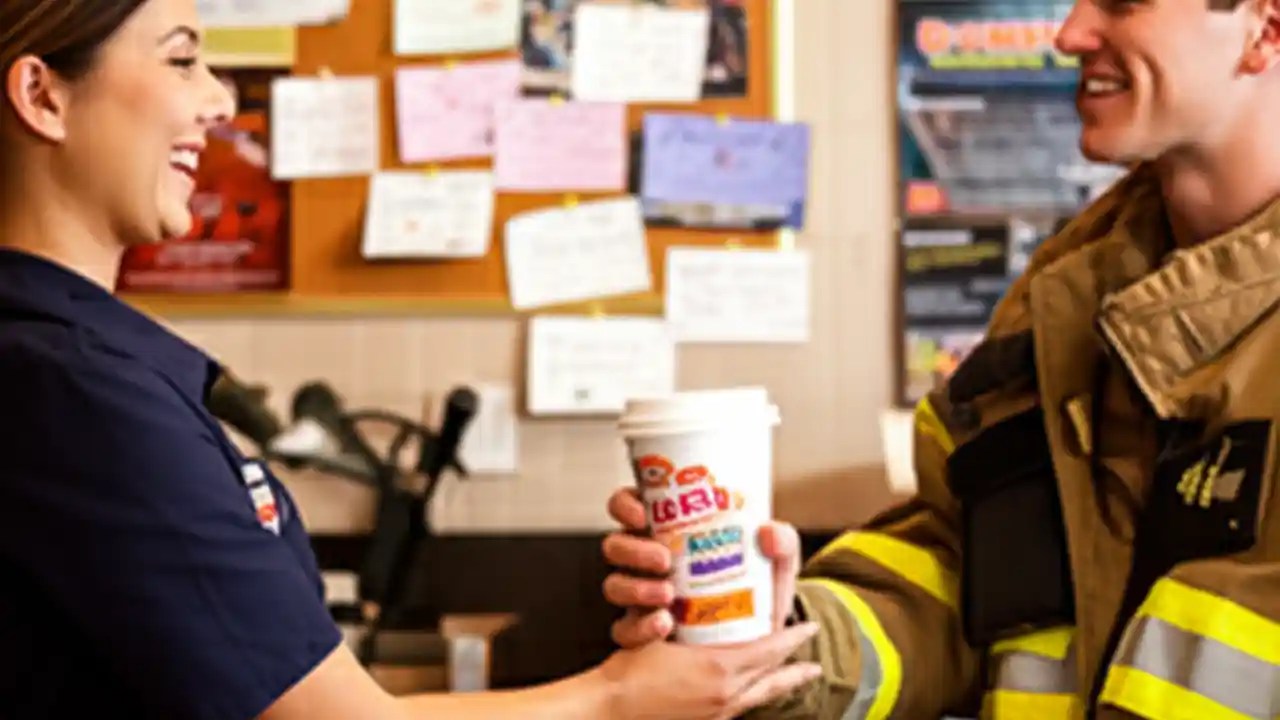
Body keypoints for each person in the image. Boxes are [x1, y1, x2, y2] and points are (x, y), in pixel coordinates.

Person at [0, 1, 824, 718]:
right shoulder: (70, 390)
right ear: (43, 95)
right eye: (181, 58)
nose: (219, 99)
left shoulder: (78, 368)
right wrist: (622, 698)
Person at [604, 0, 1280, 718]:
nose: (1070, 33)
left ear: (1264, 27)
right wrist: (770, 639)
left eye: (1120, 2)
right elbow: (959, 578)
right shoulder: (1064, 300)